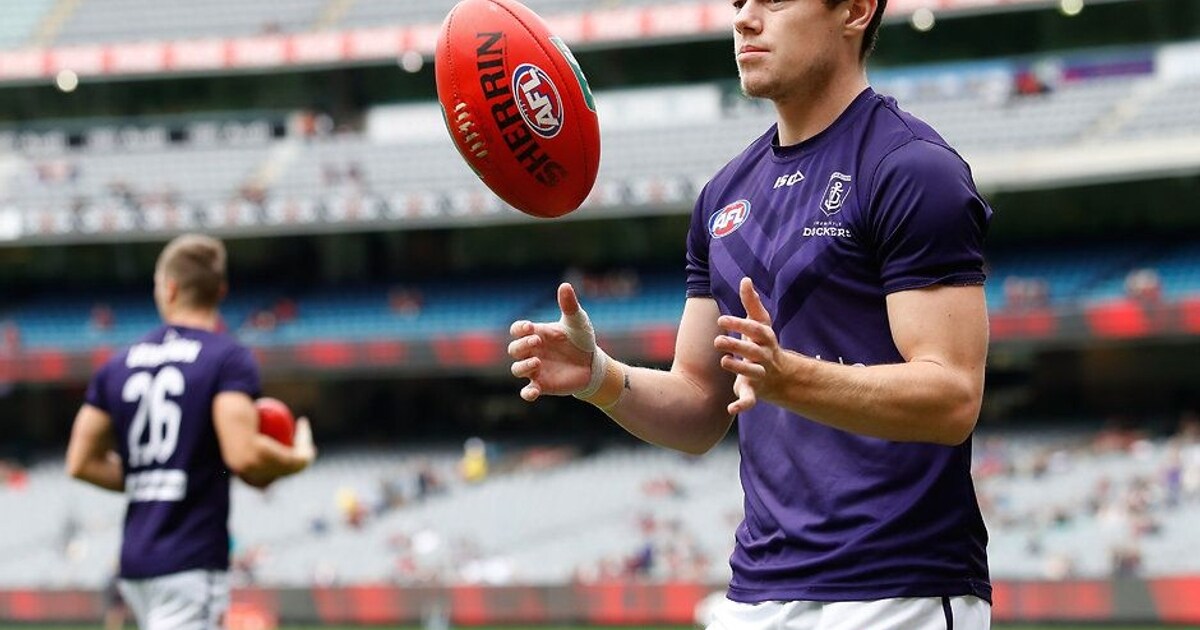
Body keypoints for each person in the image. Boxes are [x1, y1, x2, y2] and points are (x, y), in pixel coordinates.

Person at [508, 0, 992, 627]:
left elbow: (953, 399)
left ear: (855, 11)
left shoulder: (913, 170)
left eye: (774, 0)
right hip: (758, 593)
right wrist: (600, 377)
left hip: (898, 591)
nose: (744, 19)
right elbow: (698, 407)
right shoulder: (723, 194)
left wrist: (786, 378)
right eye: (739, 2)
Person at [66, 233, 315, 630]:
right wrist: (297, 459)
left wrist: (153, 479)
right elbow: (243, 455)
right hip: (188, 560)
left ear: (169, 288)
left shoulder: (118, 364)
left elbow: (80, 462)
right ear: (221, 291)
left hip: (136, 562)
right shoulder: (227, 358)